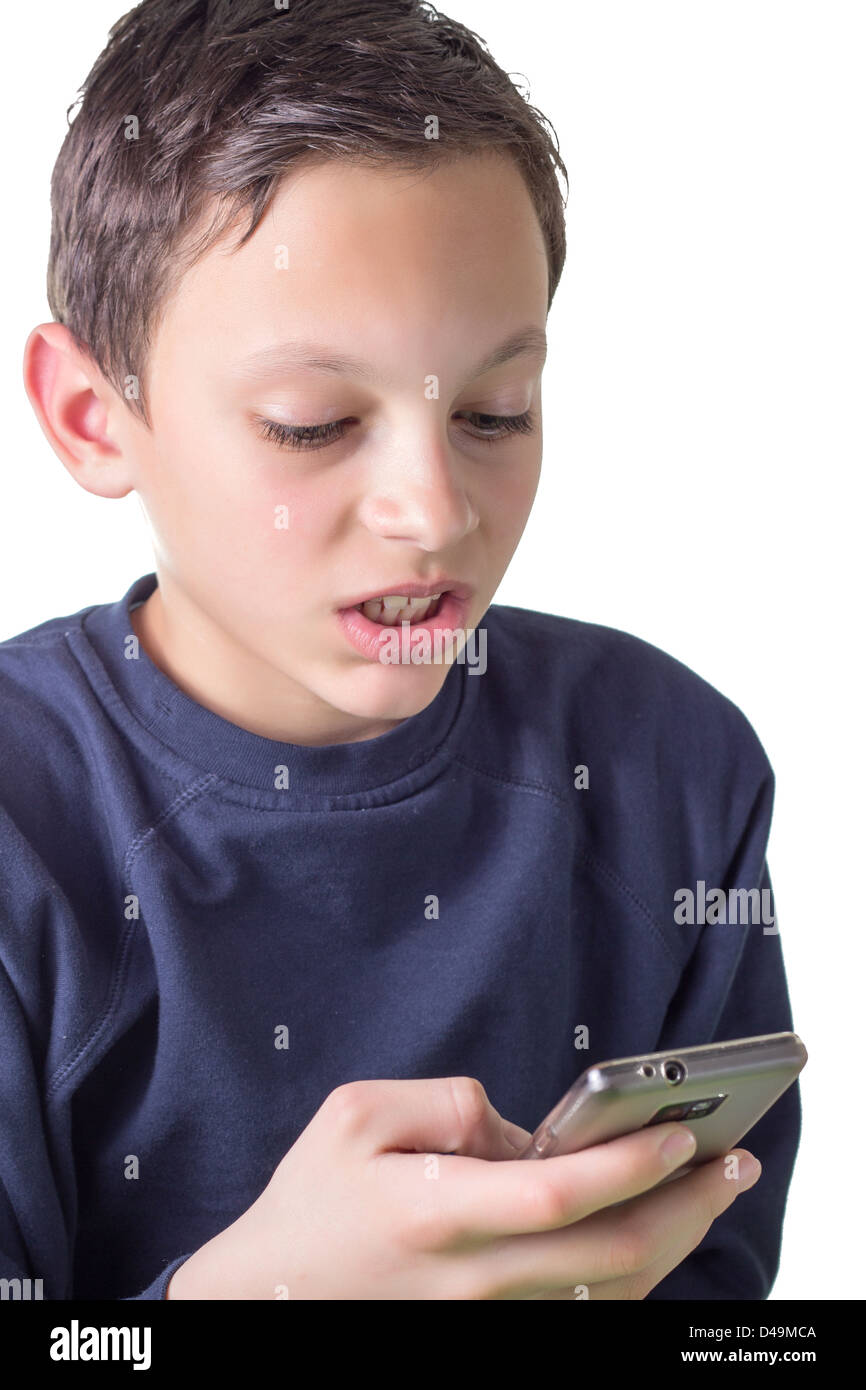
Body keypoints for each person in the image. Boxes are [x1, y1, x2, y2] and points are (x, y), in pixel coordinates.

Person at [2, 0, 798, 1300]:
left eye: (495, 410)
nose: (433, 513)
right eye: (311, 424)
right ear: (95, 417)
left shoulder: (671, 768)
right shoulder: (25, 819)